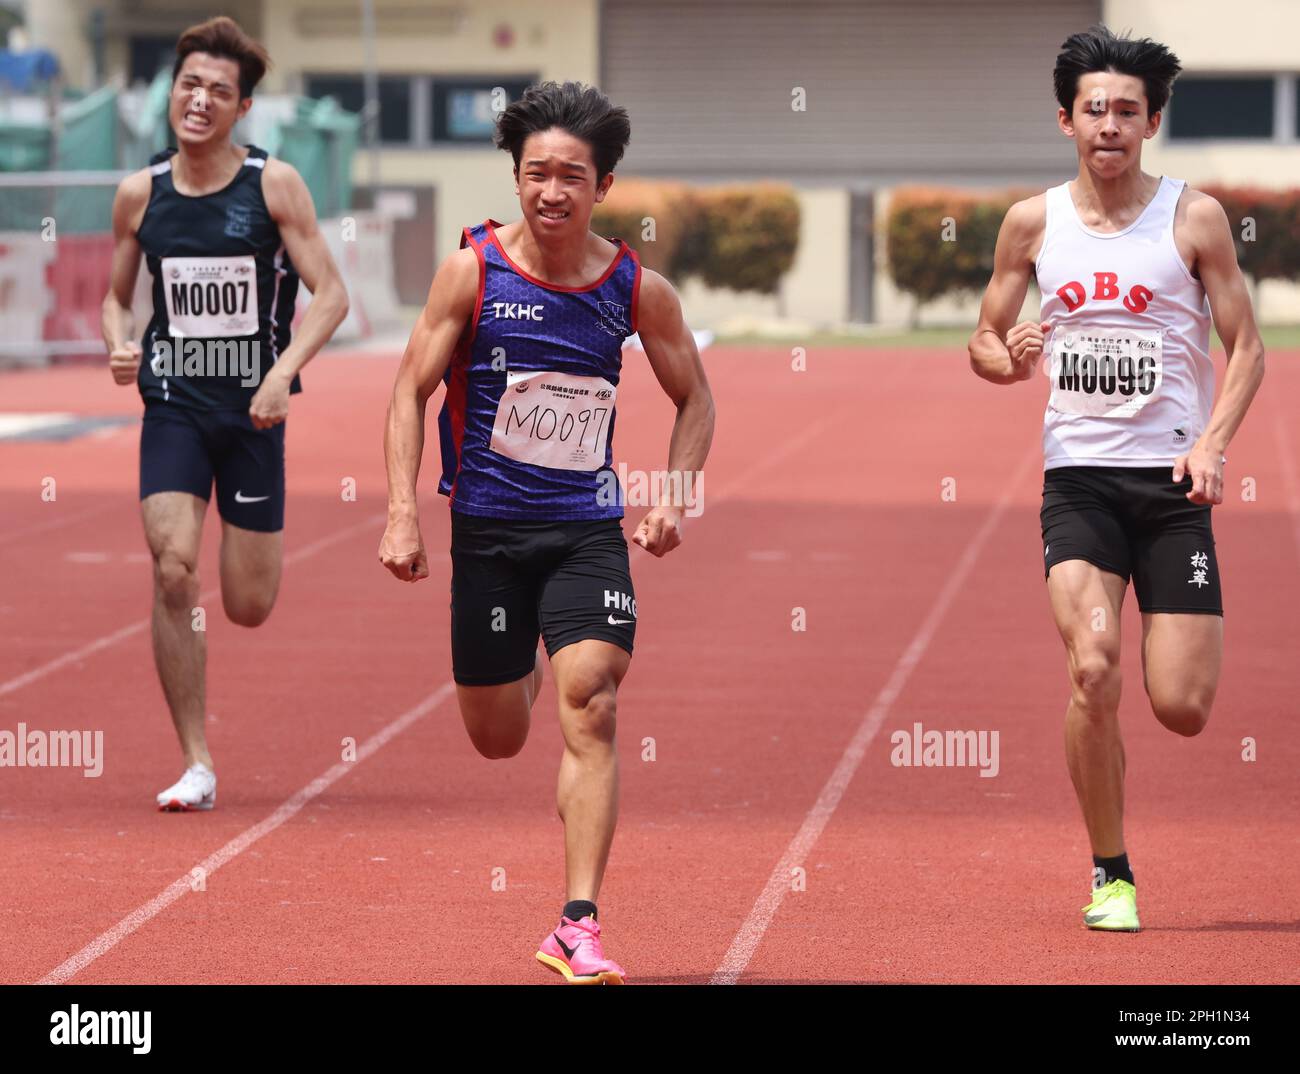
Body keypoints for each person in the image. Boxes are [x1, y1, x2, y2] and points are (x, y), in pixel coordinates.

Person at [379, 81, 715, 983]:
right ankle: (523, 655)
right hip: (486, 532)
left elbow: (695, 398)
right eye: (536, 174)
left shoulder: (633, 288)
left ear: (603, 186)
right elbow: (409, 391)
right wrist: (404, 509)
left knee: (593, 699)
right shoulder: (472, 271)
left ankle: (578, 921)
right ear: (515, 177)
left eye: (572, 176)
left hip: (583, 530)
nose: (551, 192)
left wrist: (672, 495)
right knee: (497, 737)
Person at [969, 26, 1265, 932]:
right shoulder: (1033, 222)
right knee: (1093, 668)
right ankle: (1112, 874)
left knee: (1181, 707)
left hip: (1173, 490)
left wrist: (1213, 443)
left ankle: (1123, 839)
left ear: (1152, 122)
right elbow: (983, 340)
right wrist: (1006, 358)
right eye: (1093, 109)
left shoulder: (1194, 217)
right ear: (1067, 120)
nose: (1109, 125)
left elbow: (1247, 345)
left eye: (1126, 111)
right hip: (1082, 486)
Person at [102, 16, 349, 810]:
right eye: (188, 86)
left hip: (254, 415)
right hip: (173, 402)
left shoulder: (272, 185)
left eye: (218, 91)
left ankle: (244, 559)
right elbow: (115, 299)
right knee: (172, 566)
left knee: (246, 606)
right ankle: (197, 762)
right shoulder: (141, 194)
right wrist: (117, 343)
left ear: (242, 108)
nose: (199, 101)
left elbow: (332, 295)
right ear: (169, 94)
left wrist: (280, 373)